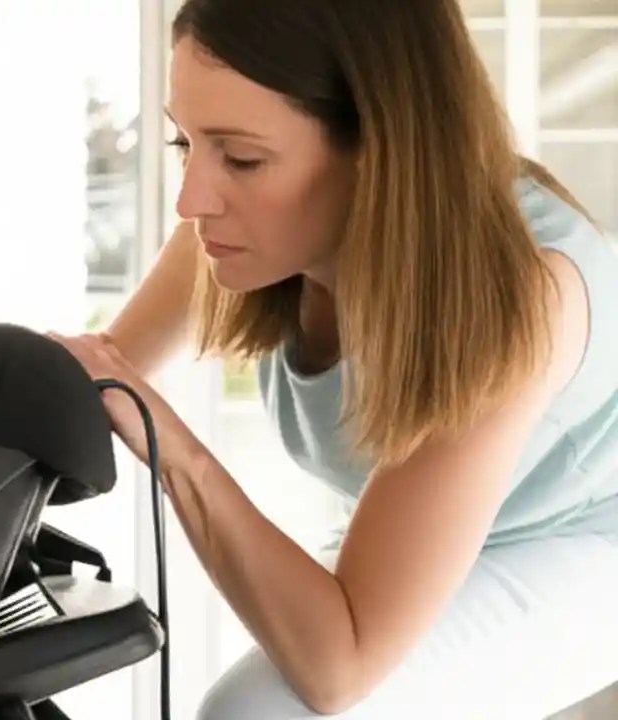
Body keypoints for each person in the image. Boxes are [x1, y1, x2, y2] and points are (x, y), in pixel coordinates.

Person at [49, 1, 618, 717]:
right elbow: (93, 378)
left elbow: (338, 666)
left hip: (590, 538)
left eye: (243, 158)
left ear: (378, 149)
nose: (193, 199)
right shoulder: (244, 222)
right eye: (183, 144)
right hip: (456, 521)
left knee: (261, 711)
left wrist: (174, 451)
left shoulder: (523, 300)